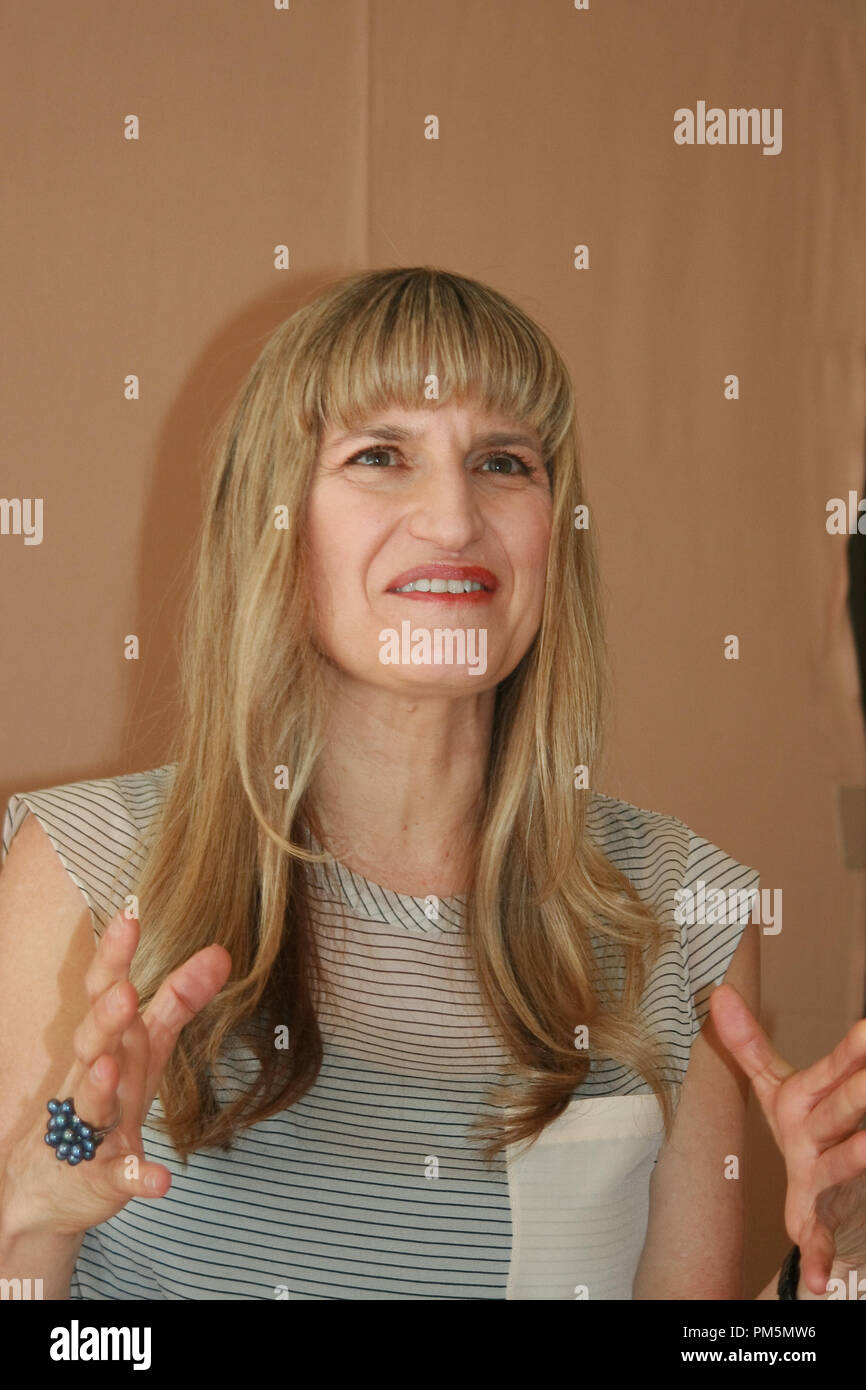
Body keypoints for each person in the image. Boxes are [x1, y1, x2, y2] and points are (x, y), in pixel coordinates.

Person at [0, 266, 864, 1301]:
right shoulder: (85, 866)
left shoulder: (684, 907)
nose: (454, 518)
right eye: (379, 455)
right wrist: (34, 1217)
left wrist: (830, 1278)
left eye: (503, 461)